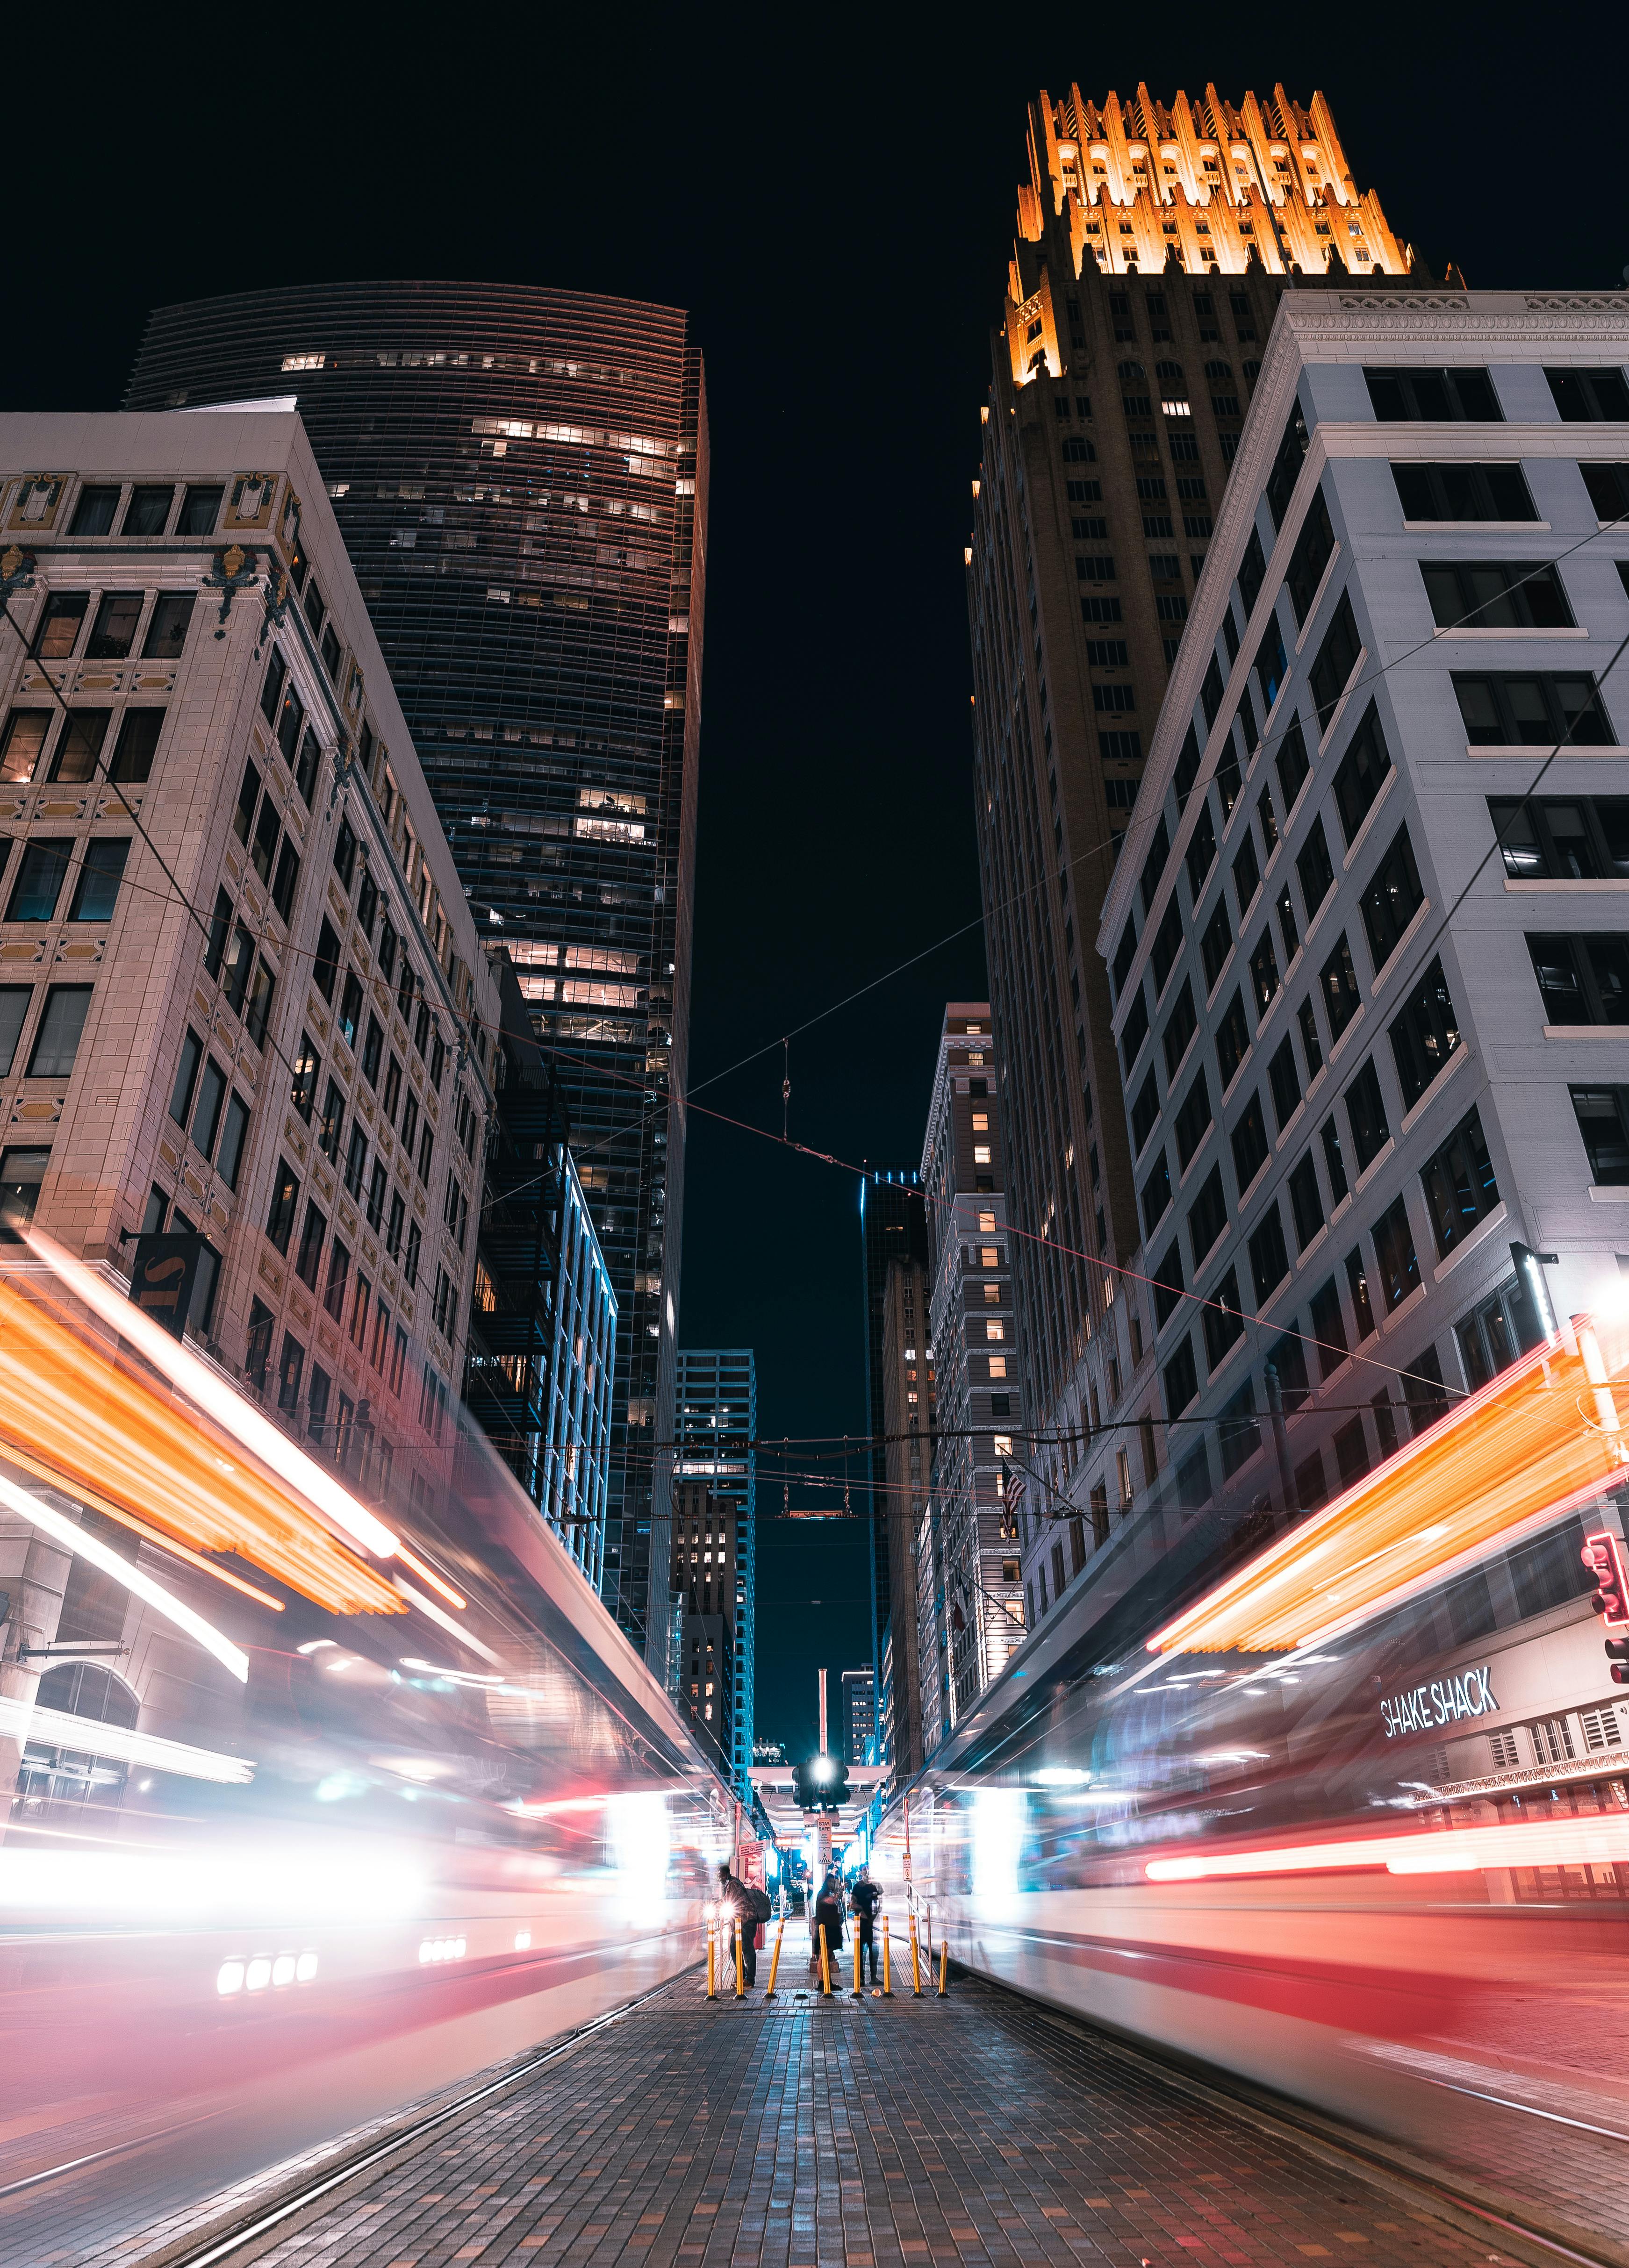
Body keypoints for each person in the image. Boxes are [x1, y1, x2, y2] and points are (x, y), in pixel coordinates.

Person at [716, 1860, 758, 1987]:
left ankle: (749, 1980)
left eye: (722, 1876)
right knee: (734, 1948)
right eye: (719, 1876)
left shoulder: (733, 1885)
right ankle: (742, 1977)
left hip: (746, 1921)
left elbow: (727, 1901)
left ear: (728, 1874)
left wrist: (714, 1907)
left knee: (747, 1950)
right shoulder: (731, 1885)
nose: (721, 1878)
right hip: (740, 1923)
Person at [850, 1865, 881, 1984]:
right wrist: (862, 1910)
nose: (867, 1871)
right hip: (861, 1923)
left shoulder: (874, 1886)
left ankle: (873, 1977)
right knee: (861, 1951)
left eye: (868, 1869)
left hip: (871, 1922)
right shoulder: (858, 1886)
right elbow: (853, 1904)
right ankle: (861, 1978)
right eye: (864, 1869)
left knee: (874, 1951)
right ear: (861, 1872)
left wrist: (875, 1916)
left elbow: (878, 1902)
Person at [810, 1867, 845, 1974]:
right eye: (832, 1882)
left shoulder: (825, 1893)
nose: (833, 1884)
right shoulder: (823, 1894)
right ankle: (822, 1982)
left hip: (829, 1929)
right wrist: (836, 1894)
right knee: (824, 1956)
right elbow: (831, 1901)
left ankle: (827, 1981)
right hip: (825, 1930)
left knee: (827, 1956)